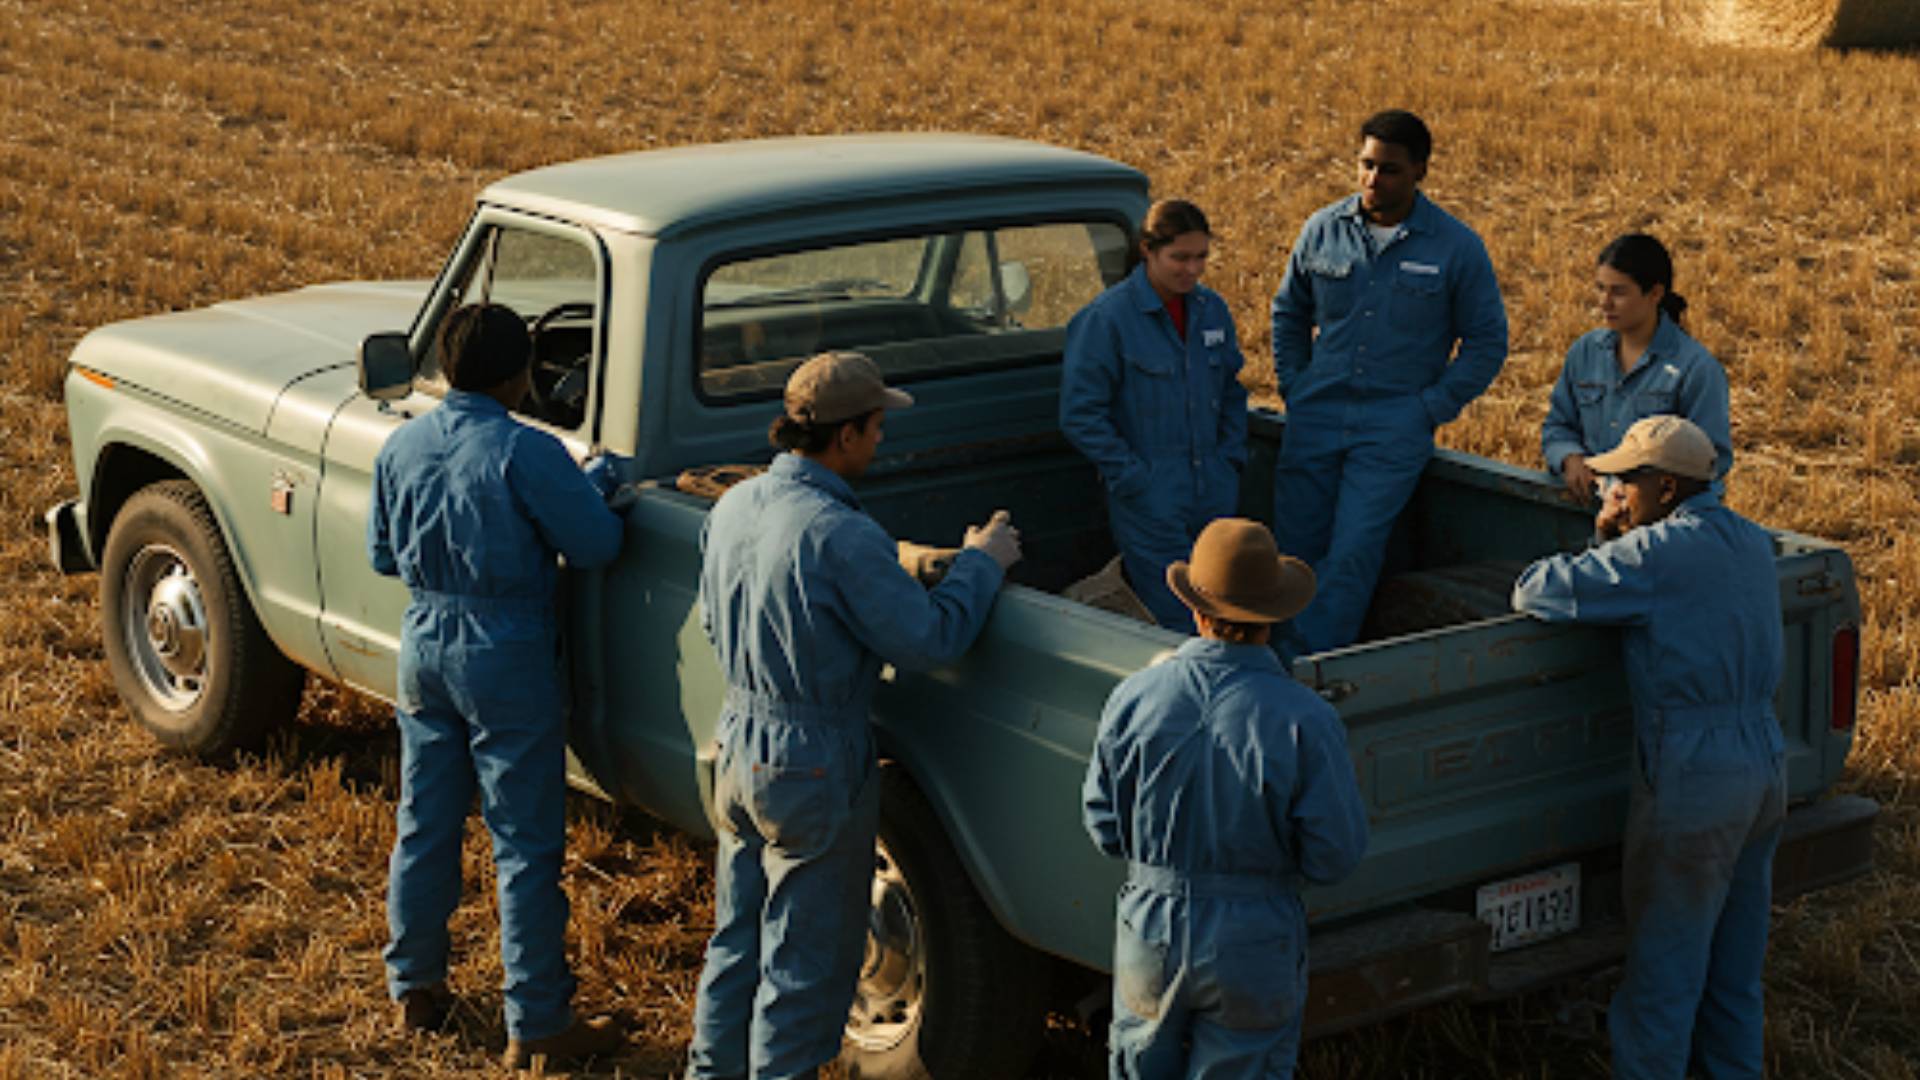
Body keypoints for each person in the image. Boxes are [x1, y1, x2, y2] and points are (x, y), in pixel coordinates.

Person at [686, 350, 1023, 1080]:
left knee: (736, 945)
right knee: (807, 966)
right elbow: (929, 638)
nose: (881, 441)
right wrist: (981, 564)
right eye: (875, 428)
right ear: (844, 436)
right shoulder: (840, 534)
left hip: (738, 740)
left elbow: (714, 623)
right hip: (811, 759)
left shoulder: (734, 505)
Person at [367, 303, 627, 1069]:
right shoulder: (529, 449)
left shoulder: (401, 445)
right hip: (505, 648)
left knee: (425, 821)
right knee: (523, 840)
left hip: (425, 641)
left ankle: (414, 985)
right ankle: (538, 1021)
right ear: (521, 378)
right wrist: (599, 485)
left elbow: (384, 556)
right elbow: (597, 543)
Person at [1511, 416, 1785, 1079]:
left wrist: (1603, 534)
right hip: (1765, 763)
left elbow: (1537, 588)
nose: (1613, 489)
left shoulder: (1655, 553)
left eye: (1625, 481)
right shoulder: (1752, 541)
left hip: (1695, 774)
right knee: (1734, 977)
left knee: (1664, 977)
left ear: (1665, 486)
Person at [1083, 518, 1370, 1079]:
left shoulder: (1134, 696)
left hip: (1151, 927)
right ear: (1276, 617)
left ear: (1194, 609)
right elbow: (1335, 854)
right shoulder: (1306, 718)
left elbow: (1103, 826)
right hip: (1253, 936)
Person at [1270, 109, 1508, 654]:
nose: (1374, 180)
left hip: (1393, 427)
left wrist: (1430, 408)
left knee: (1354, 549)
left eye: (1390, 170)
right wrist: (1294, 385)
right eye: (1366, 165)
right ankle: (1273, 661)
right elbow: (1289, 313)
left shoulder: (1456, 248)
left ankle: (1312, 666)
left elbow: (1487, 340)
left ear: (1420, 171)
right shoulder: (1321, 230)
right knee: (1295, 550)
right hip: (1316, 416)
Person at [1062, 199, 1250, 633]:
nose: (1192, 269)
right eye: (1179, 258)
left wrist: (1229, 460)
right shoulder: (1107, 320)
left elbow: (1232, 392)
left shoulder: (1211, 311)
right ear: (1147, 250)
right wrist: (1133, 479)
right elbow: (1081, 414)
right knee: (1178, 619)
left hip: (1214, 489)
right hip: (1151, 498)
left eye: (1201, 256)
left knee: (1227, 610)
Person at [1542, 233, 1732, 504]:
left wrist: (1642, 494)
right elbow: (1558, 425)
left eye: (1618, 291)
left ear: (1655, 293)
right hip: (1585, 507)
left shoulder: (1696, 369)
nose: (1604, 302)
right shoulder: (1585, 353)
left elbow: (1712, 463)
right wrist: (1569, 458)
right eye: (1600, 288)